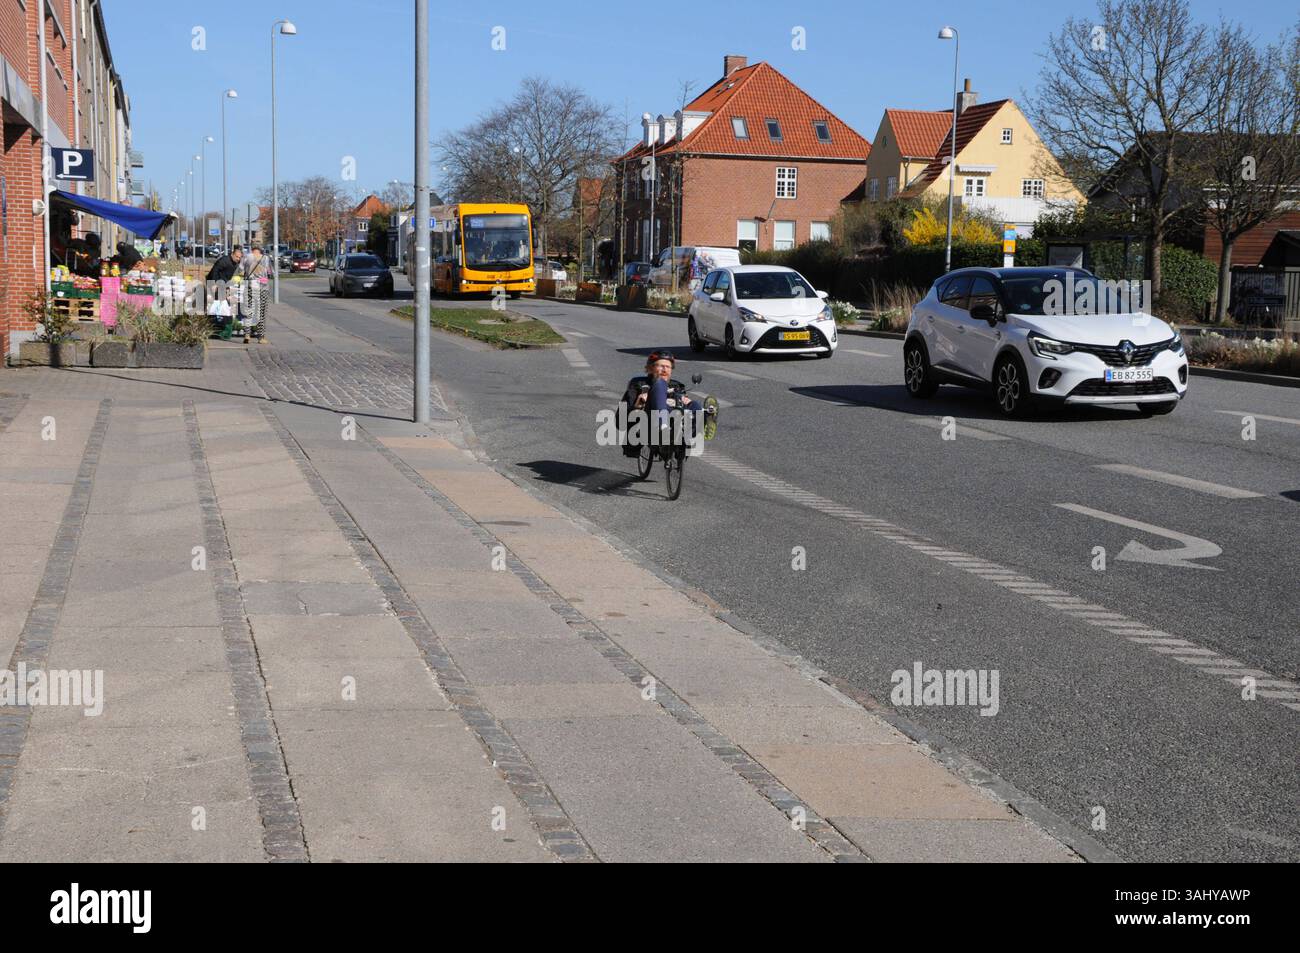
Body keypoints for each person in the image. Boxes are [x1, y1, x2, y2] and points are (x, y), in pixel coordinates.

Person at [620, 350, 717, 454]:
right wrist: (637, 405)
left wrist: (685, 402)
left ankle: (702, 423)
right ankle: (663, 425)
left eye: (668, 367)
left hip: (673, 417)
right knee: (660, 384)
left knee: (693, 404)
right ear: (650, 368)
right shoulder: (638, 384)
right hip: (648, 423)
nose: (664, 370)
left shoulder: (677, 386)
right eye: (660, 366)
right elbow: (619, 421)